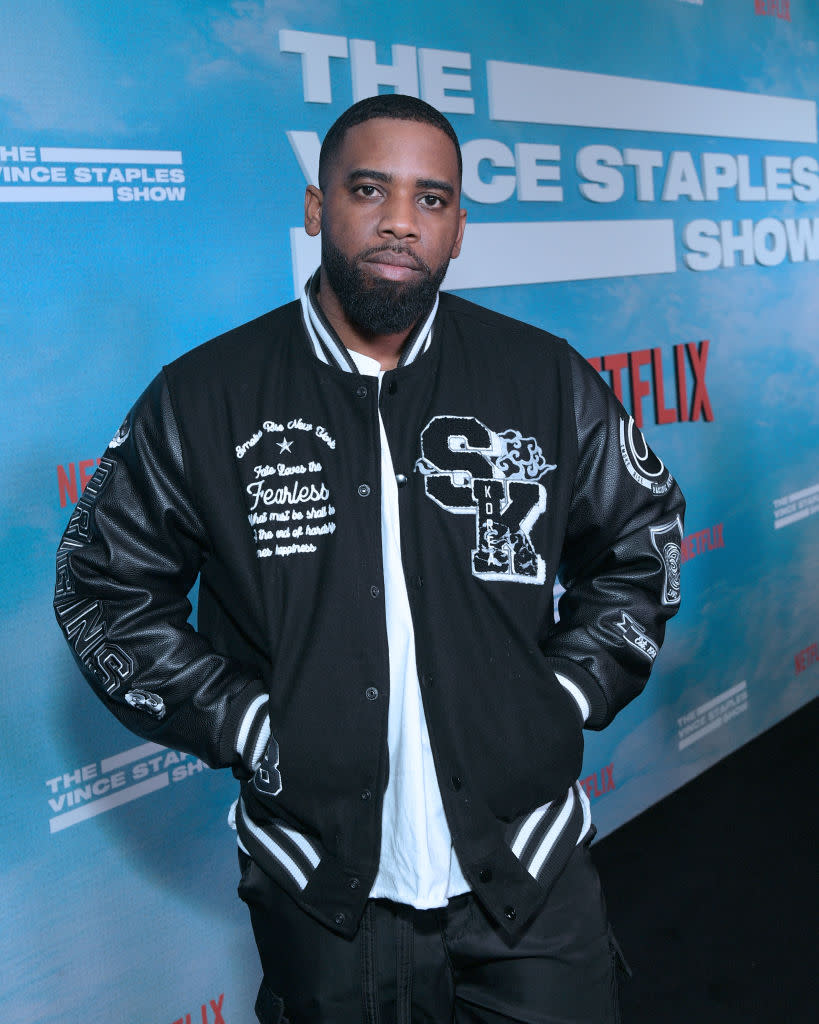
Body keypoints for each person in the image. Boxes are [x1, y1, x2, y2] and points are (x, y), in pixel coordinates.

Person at [55, 94, 685, 1023]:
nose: (400, 221)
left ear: (459, 228)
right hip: (320, 886)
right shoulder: (205, 395)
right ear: (317, 208)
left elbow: (641, 540)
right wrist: (251, 727)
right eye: (367, 189)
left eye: (431, 199)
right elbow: (103, 587)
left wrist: (561, 697)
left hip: (528, 866)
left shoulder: (541, 375)